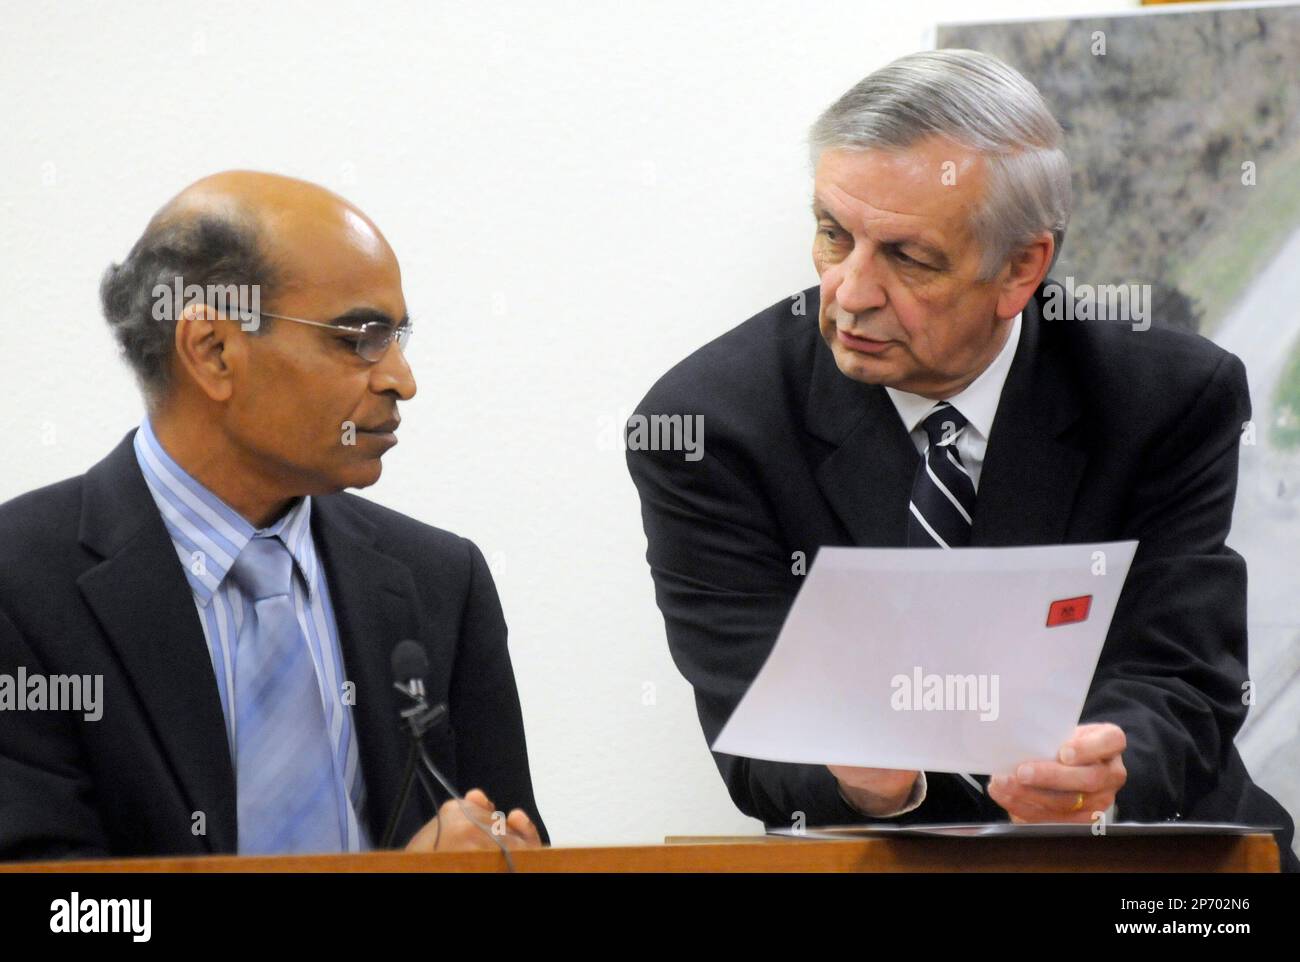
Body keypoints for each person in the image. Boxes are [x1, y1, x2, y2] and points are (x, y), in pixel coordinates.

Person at [625, 49, 1297, 871]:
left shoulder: (1166, 396)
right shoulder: (706, 427)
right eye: (834, 234)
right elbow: (754, 733)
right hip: (880, 861)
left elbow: (1180, 676)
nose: (852, 292)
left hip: (1140, 858)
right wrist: (867, 781)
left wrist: (1100, 779)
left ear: (1022, 267)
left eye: (907, 258)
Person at [0, 171, 544, 859]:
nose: (402, 379)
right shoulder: (21, 586)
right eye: (359, 338)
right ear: (214, 352)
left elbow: (515, 842)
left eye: (398, 337)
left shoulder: (439, 580)